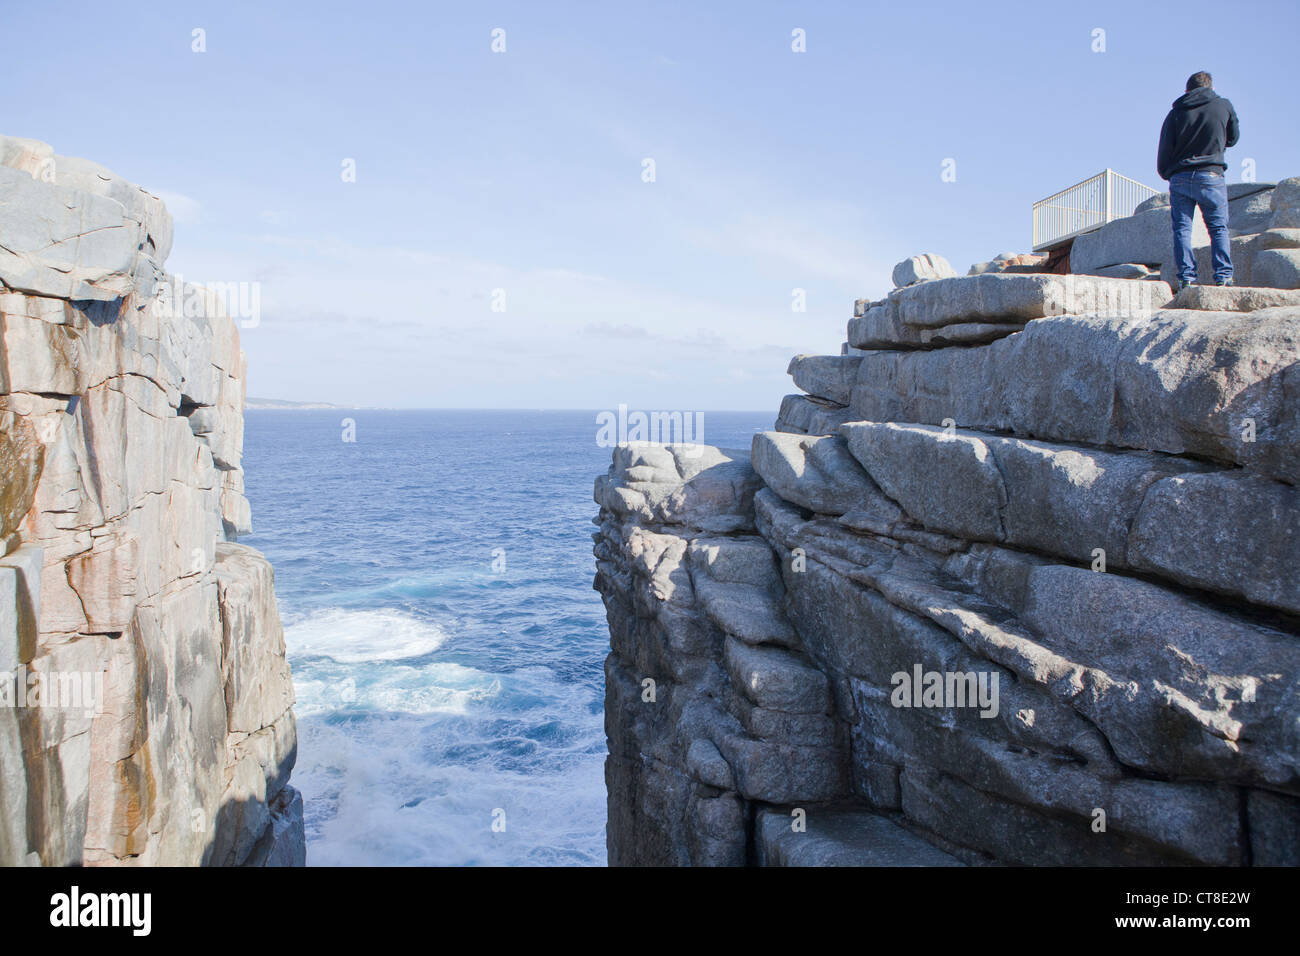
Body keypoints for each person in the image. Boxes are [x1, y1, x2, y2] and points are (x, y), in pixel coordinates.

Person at [1157, 71, 1240, 290]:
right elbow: (1233, 138)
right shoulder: (1223, 105)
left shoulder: (1175, 113)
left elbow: (1165, 149)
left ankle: (1187, 279)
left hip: (1181, 176)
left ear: (1187, 90)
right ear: (1210, 87)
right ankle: (1223, 277)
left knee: (1183, 230)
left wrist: (1167, 173)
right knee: (1218, 228)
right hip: (1211, 175)